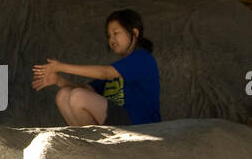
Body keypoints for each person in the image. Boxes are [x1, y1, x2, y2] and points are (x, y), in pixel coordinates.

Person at [32, 8, 161, 127]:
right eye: (109, 35)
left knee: (77, 96)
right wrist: (58, 81)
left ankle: (94, 143)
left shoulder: (142, 58)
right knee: (63, 95)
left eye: (116, 33)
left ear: (134, 32)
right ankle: (91, 146)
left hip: (139, 124)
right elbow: (87, 90)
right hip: (118, 123)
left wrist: (60, 66)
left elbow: (105, 73)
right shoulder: (117, 68)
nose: (112, 39)